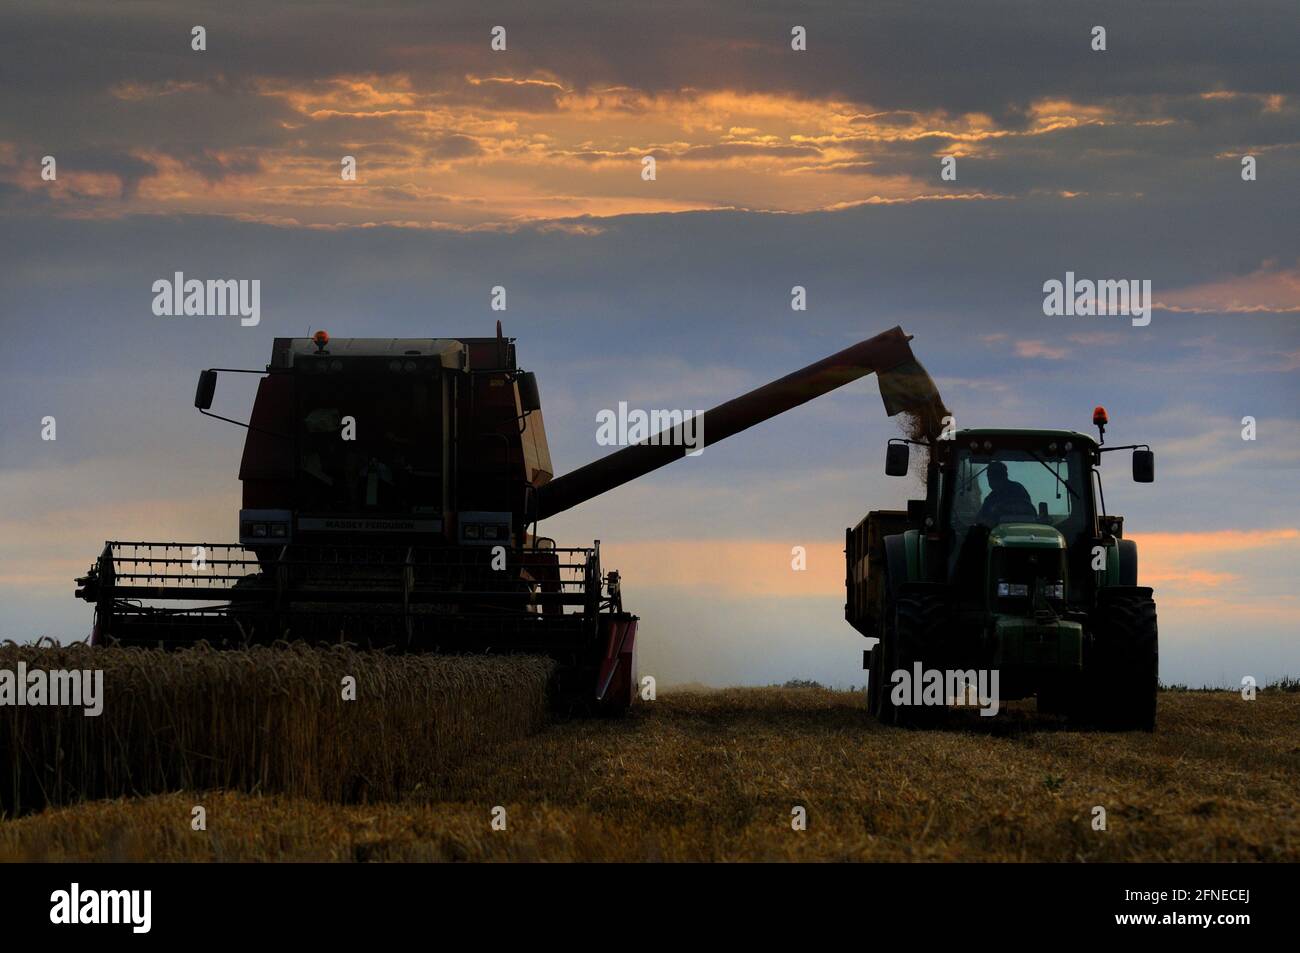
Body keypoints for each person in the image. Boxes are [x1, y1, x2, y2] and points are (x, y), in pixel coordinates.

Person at [975, 461, 1034, 526]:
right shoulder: (990, 498)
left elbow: (1028, 510)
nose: (992, 479)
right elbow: (980, 519)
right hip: (997, 533)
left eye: (996, 475)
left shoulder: (1018, 490)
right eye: (990, 476)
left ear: (1005, 475)